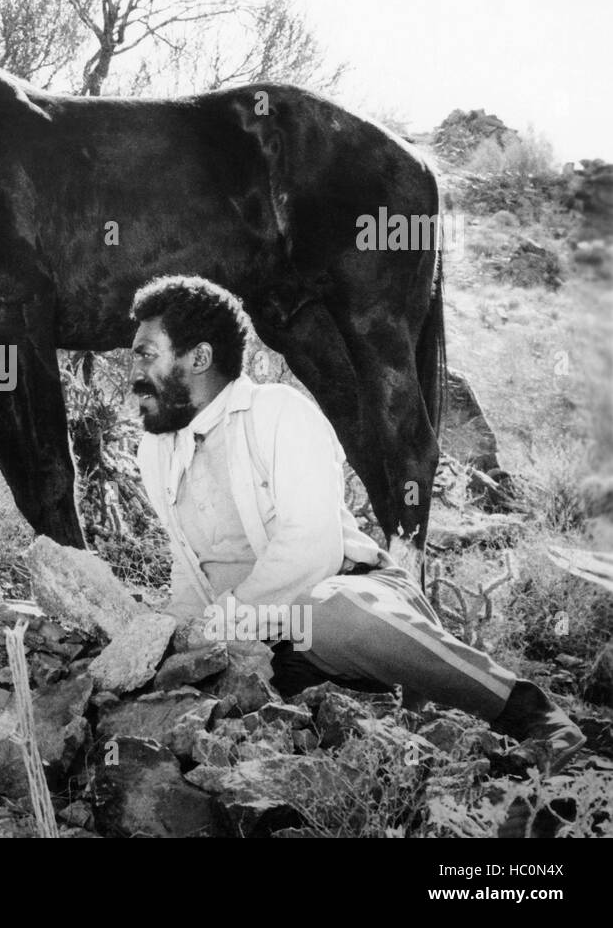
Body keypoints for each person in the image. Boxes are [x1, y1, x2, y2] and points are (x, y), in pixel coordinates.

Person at [128, 274, 585, 770]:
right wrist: (175, 638)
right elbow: (187, 570)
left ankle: (531, 713)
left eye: (146, 353)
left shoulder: (279, 414)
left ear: (198, 358)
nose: (135, 370)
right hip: (264, 647)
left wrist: (216, 624)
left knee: (330, 613)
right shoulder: (155, 450)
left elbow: (310, 552)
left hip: (349, 603)